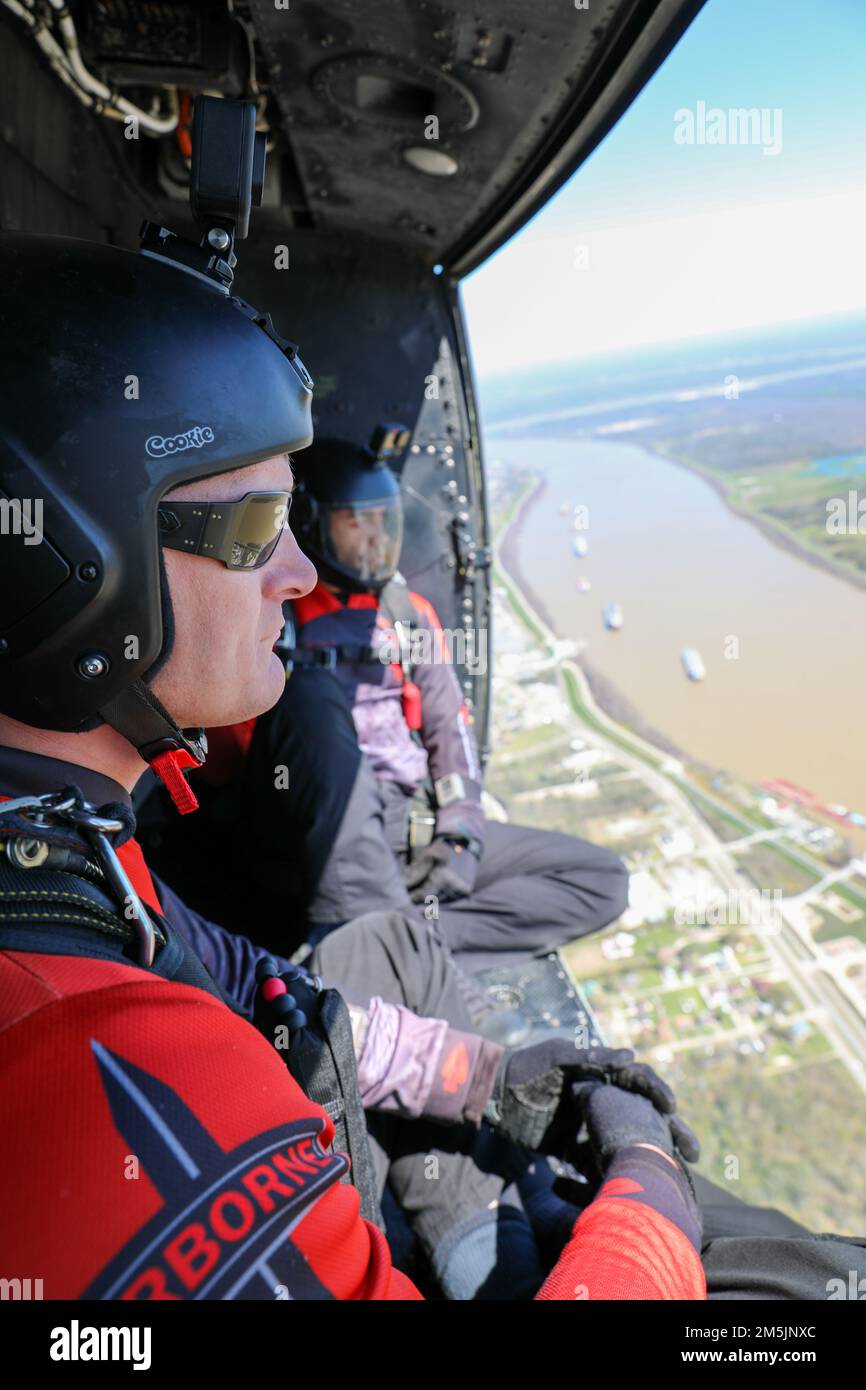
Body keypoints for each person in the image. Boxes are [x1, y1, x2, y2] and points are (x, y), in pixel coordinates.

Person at [0, 225, 709, 1301]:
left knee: (396, 949)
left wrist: (482, 1077)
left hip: (401, 872)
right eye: (255, 524)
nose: (295, 571)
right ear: (69, 558)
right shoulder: (105, 1073)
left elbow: (258, 984)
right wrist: (651, 1196)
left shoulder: (69, 857)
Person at [142, 433, 630, 975]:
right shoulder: (277, 620)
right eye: (358, 524)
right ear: (313, 526)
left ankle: (403, 947)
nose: (375, 540)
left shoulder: (407, 611)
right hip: (312, 836)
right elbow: (226, 764)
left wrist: (461, 831)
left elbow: (450, 726)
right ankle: (388, 946)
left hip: (413, 831)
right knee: (311, 697)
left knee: (599, 880)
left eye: (382, 521)